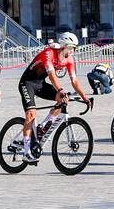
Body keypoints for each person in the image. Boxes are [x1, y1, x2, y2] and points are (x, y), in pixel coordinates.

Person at [17, 31, 89, 162]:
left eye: (74, 49)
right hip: (27, 83)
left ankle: (42, 127)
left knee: (62, 101)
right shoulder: (49, 53)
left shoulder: (69, 59)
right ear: (64, 46)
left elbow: (74, 80)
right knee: (31, 114)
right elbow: (51, 75)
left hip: (40, 84)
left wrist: (84, 96)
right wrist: (60, 89)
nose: (73, 51)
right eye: (71, 48)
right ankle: (26, 152)